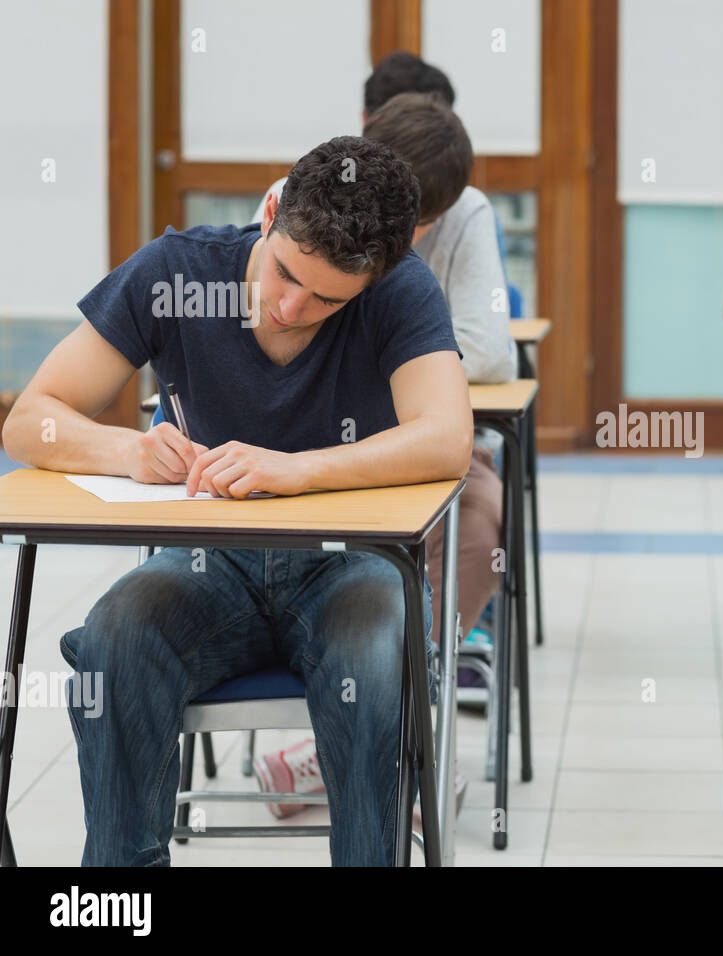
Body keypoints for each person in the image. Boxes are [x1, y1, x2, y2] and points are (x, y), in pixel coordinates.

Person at [0, 135, 472, 865]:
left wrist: (298, 470)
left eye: (326, 299)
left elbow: (446, 438)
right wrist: (128, 450)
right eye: (285, 273)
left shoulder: (400, 290)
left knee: (380, 656)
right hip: (207, 564)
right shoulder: (176, 271)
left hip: (351, 563)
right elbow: (33, 420)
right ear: (270, 209)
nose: (291, 306)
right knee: (114, 638)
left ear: (373, 279)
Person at [250, 74, 516, 818]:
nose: (415, 237)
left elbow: (492, 352)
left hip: (419, 436)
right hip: (296, 434)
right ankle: (349, 728)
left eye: (428, 222)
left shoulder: (470, 213)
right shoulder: (296, 198)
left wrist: (398, 362)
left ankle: (398, 722)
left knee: (480, 519)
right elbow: (261, 325)